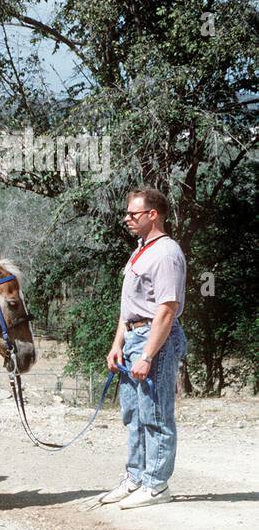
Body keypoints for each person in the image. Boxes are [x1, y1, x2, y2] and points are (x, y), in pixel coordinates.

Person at [98, 186, 188, 509]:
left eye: (133, 214)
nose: (127, 219)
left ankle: (157, 483)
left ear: (153, 215)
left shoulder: (166, 253)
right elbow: (129, 307)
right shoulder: (140, 251)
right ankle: (135, 477)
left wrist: (148, 354)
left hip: (155, 339)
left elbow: (165, 309)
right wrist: (116, 345)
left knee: (156, 413)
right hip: (133, 337)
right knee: (133, 413)